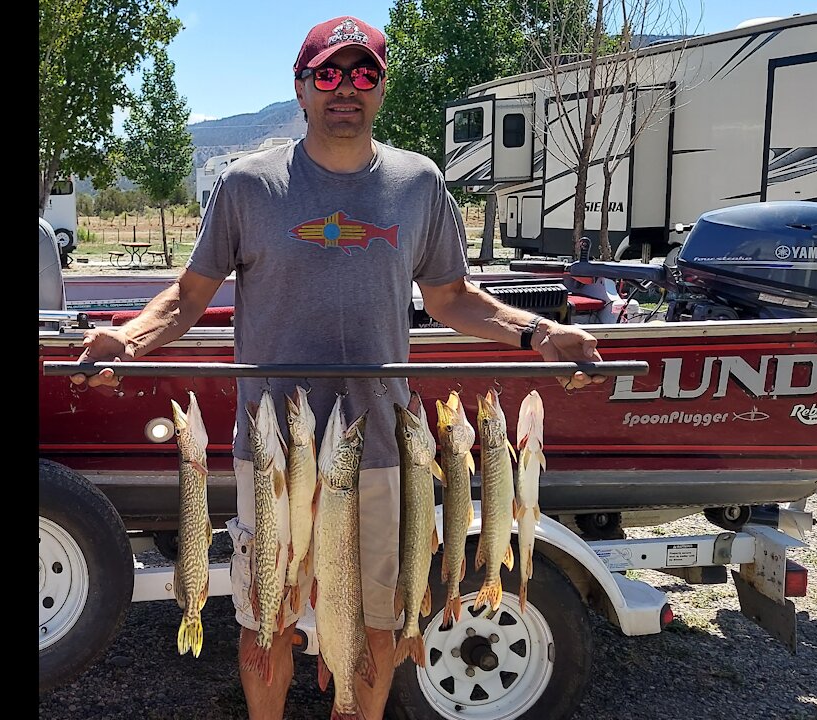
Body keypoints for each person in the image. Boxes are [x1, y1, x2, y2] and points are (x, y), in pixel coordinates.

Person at [71, 14, 605, 720]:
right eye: (328, 72)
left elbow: (453, 298)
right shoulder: (246, 186)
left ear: (382, 89)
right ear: (300, 87)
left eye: (362, 74)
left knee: (376, 626)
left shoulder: (420, 184)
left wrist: (541, 333)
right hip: (274, 454)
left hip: (383, 450)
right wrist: (129, 342)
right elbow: (187, 296)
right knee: (268, 625)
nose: (344, 88)